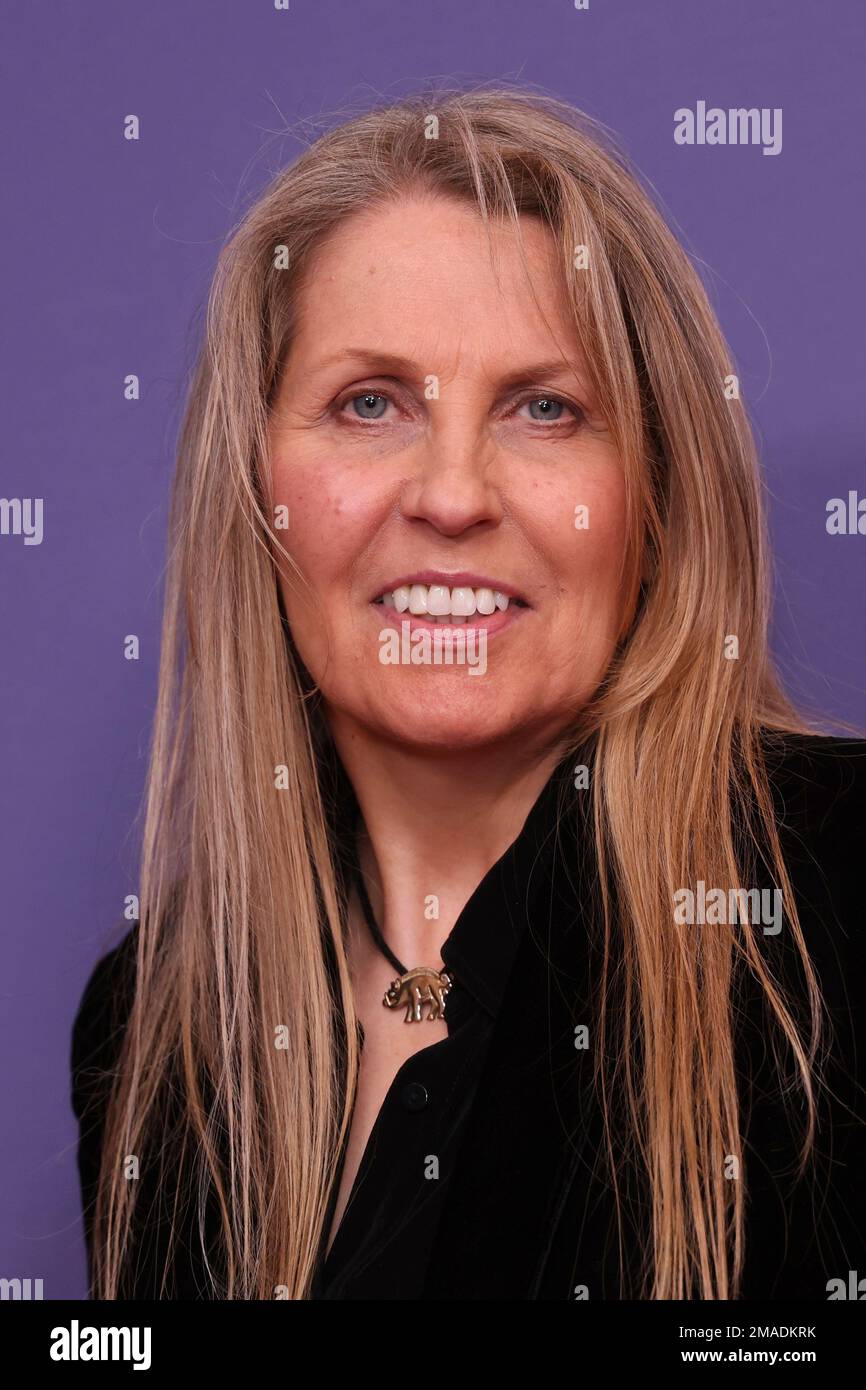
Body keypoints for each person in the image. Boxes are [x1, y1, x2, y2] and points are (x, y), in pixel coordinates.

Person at [71, 86, 866, 1301]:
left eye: (543, 409)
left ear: (655, 498)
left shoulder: (835, 899)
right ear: (256, 490)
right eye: (369, 403)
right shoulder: (153, 1027)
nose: (451, 495)